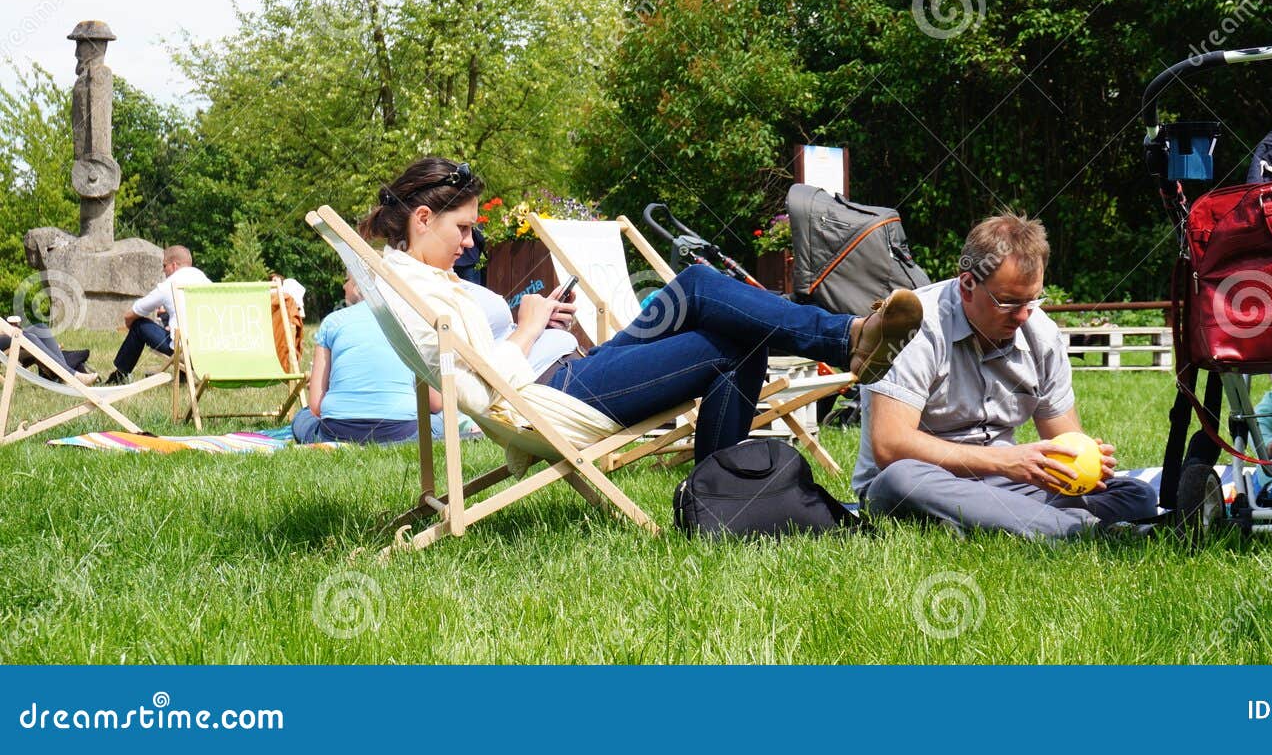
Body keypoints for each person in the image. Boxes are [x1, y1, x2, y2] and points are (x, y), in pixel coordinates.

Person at [359, 157, 922, 465]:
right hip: (556, 400)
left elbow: (482, 359)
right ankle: (843, 339)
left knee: (699, 284)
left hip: (571, 373)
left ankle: (846, 336)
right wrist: (528, 330)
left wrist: (537, 322)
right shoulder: (416, 288)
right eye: (463, 229)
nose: (470, 243)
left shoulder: (422, 277)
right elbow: (479, 387)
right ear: (423, 218)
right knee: (732, 344)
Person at [855, 212, 1158, 540]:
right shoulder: (916, 325)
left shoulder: (1041, 332)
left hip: (1008, 486)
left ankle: (999, 523)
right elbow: (890, 445)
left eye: (1033, 299)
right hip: (924, 480)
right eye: (1009, 302)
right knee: (900, 479)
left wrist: (1084, 465)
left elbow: (1064, 438)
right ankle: (1082, 532)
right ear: (968, 284)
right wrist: (1003, 461)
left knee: (1137, 495)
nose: (1024, 315)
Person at [290, 277, 451, 444]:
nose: (344, 286)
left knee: (302, 417)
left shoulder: (332, 322)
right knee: (445, 419)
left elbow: (316, 406)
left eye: (347, 280)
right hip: (402, 432)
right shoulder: (411, 323)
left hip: (336, 431)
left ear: (359, 287)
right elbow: (435, 403)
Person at [108, 245, 210, 384]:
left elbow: (133, 313)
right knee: (179, 332)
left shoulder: (169, 284)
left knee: (139, 325)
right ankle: (183, 377)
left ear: (174, 265)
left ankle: (120, 375)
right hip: (207, 350)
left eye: (164, 265)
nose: (163, 270)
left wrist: (129, 324)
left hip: (184, 352)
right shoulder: (206, 282)